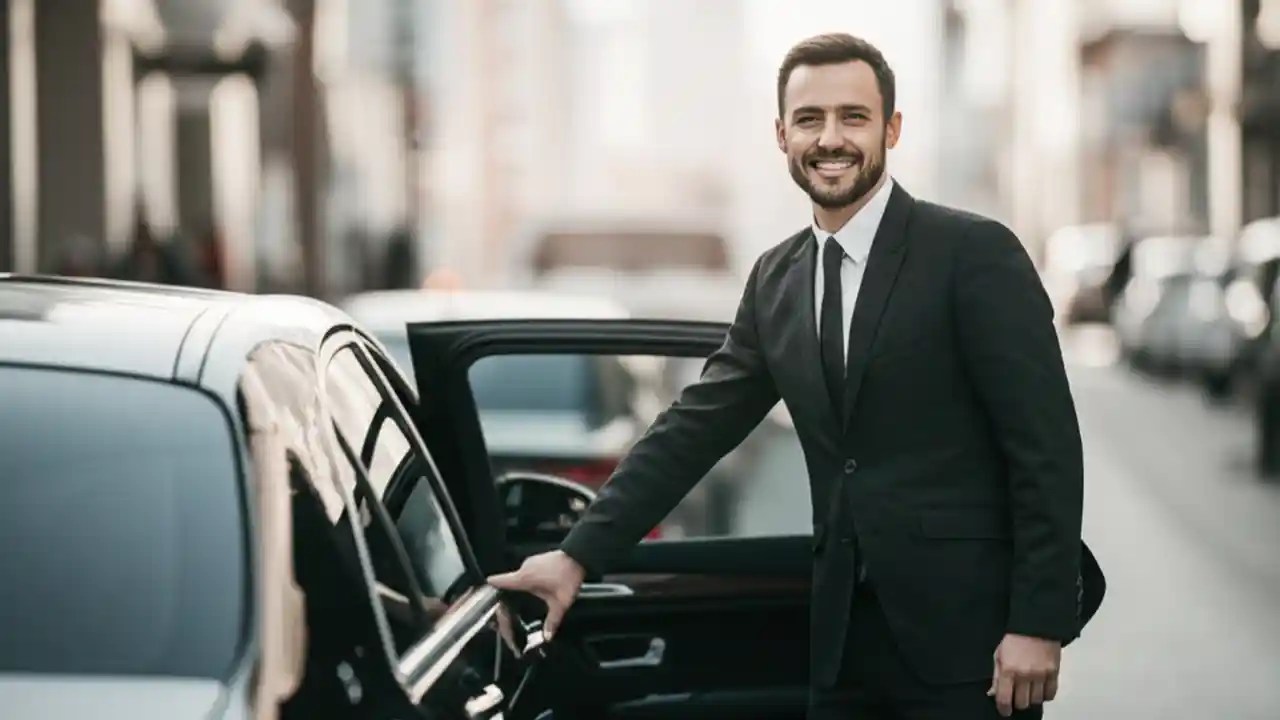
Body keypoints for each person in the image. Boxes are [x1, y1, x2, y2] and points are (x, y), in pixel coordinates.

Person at [490, 33, 1101, 719]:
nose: (830, 138)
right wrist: (575, 557)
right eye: (810, 119)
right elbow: (694, 428)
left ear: (891, 129)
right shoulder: (777, 279)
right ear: (782, 135)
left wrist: (1038, 621)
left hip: (971, 648)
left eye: (853, 117)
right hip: (838, 648)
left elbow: (1045, 448)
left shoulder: (973, 254)